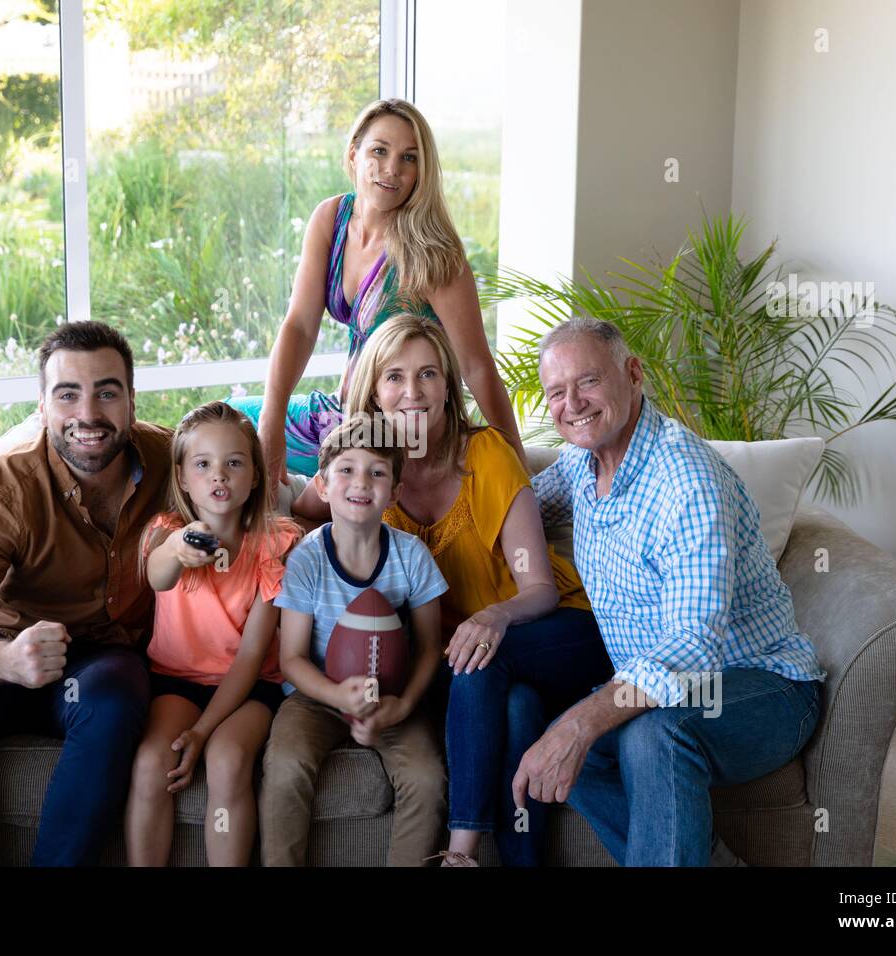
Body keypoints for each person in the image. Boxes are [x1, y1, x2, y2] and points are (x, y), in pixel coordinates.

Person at [516, 316, 827, 866]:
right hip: (668, 690)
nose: (574, 404)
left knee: (647, 736)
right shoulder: (580, 466)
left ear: (632, 374)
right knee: (569, 749)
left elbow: (692, 646)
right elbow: (513, 517)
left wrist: (582, 720)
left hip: (765, 687)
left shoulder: (685, 480)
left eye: (588, 381)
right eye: (557, 392)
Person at [343, 314, 614, 867]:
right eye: (394, 377)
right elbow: (297, 511)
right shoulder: (365, 474)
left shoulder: (485, 456)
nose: (412, 392)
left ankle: (459, 855)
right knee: (516, 711)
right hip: (460, 662)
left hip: (552, 627)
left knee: (482, 659)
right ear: (373, 390)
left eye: (428, 375)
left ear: (448, 387)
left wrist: (495, 618)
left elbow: (538, 587)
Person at [0, 320, 173, 866]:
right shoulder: (6, 492)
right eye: (67, 394)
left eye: (106, 392)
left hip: (101, 662)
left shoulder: (171, 463)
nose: (88, 415)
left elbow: (251, 497)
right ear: (43, 405)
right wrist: (5, 658)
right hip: (7, 652)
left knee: (117, 688)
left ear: (130, 399)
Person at [230, 97, 526, 481]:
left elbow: (476, 366)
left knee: (320, 483)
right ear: (354, 155)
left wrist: (516, 463)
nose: (391, 169)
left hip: (402, 423)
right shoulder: (331, 219)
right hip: (342, 410)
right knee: (233, 428)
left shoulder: (432, 251)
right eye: (379, 151)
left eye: (409, 157)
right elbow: (300, 327)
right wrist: (271, 422)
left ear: (422, 170)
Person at [260, 419, 449, 866]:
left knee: (427, 778)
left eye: (377, 472)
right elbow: (291, 658)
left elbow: (428, 648)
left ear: (395, 492)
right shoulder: (306, 558)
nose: (361, 482)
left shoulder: (410, 556)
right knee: (285, 767)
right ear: (323, 486)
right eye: (347, 469)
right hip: (315, 697)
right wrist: (335, 694)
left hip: (391, 695)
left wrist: (400, 707)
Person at [125, 402, 300, 866]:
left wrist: (203, 731)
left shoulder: (273, 543)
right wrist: (179, 550)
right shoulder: (168, 533)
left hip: (251, 688)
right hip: (176, 681)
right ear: (182, 476)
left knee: (227, 762)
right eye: (203, 465)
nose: (218, 476)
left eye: (234, 463)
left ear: (256, 476)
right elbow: (157, 576)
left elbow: (252, 655)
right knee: (150, 763)